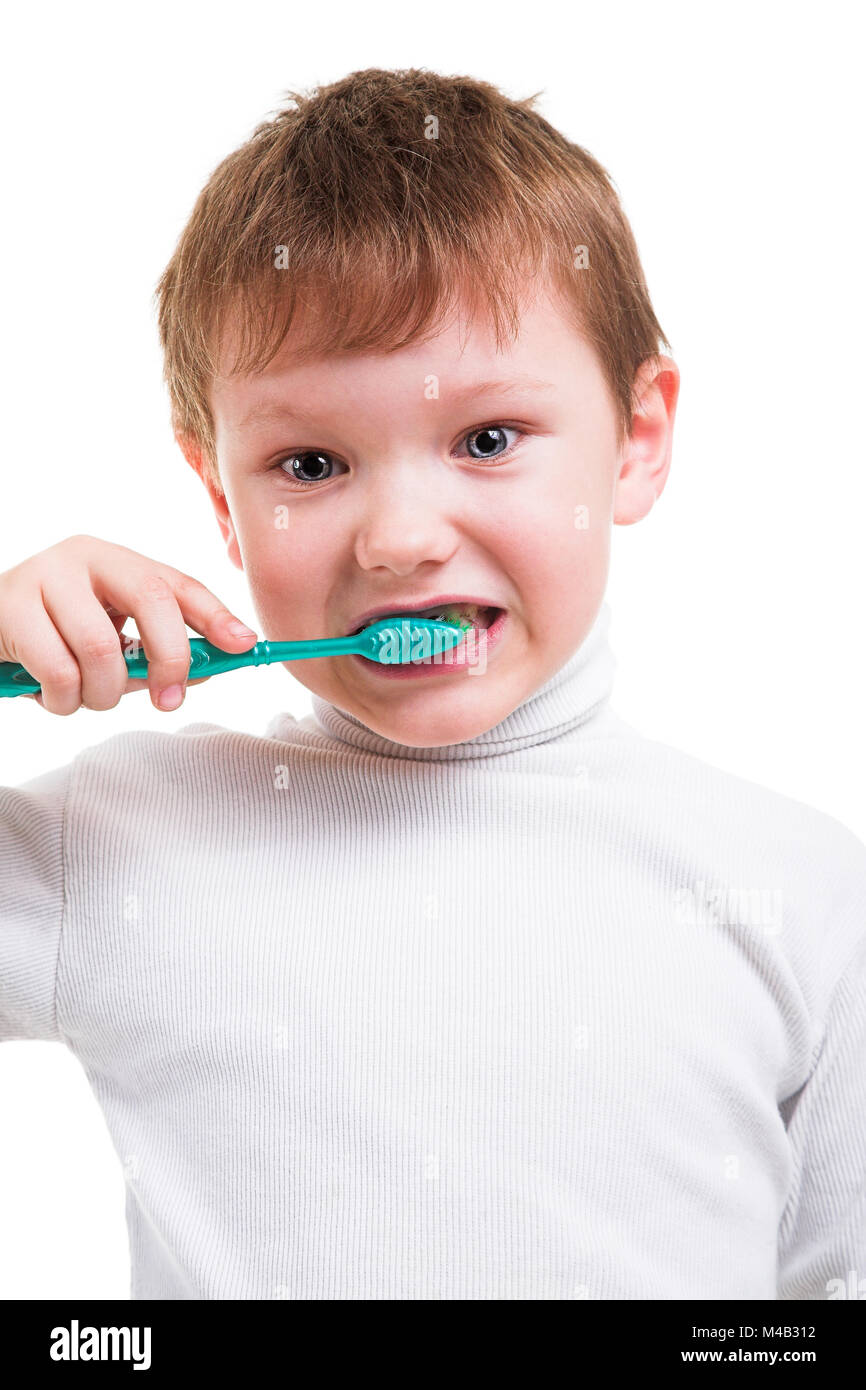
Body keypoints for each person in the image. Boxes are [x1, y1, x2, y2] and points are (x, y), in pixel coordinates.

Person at [1, 67, 863, 1300]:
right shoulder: (112, 846)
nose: (400, 537)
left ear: (637, 438)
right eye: (310, 461)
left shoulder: (804, 893)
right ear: (220, 506)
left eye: (487, 439)